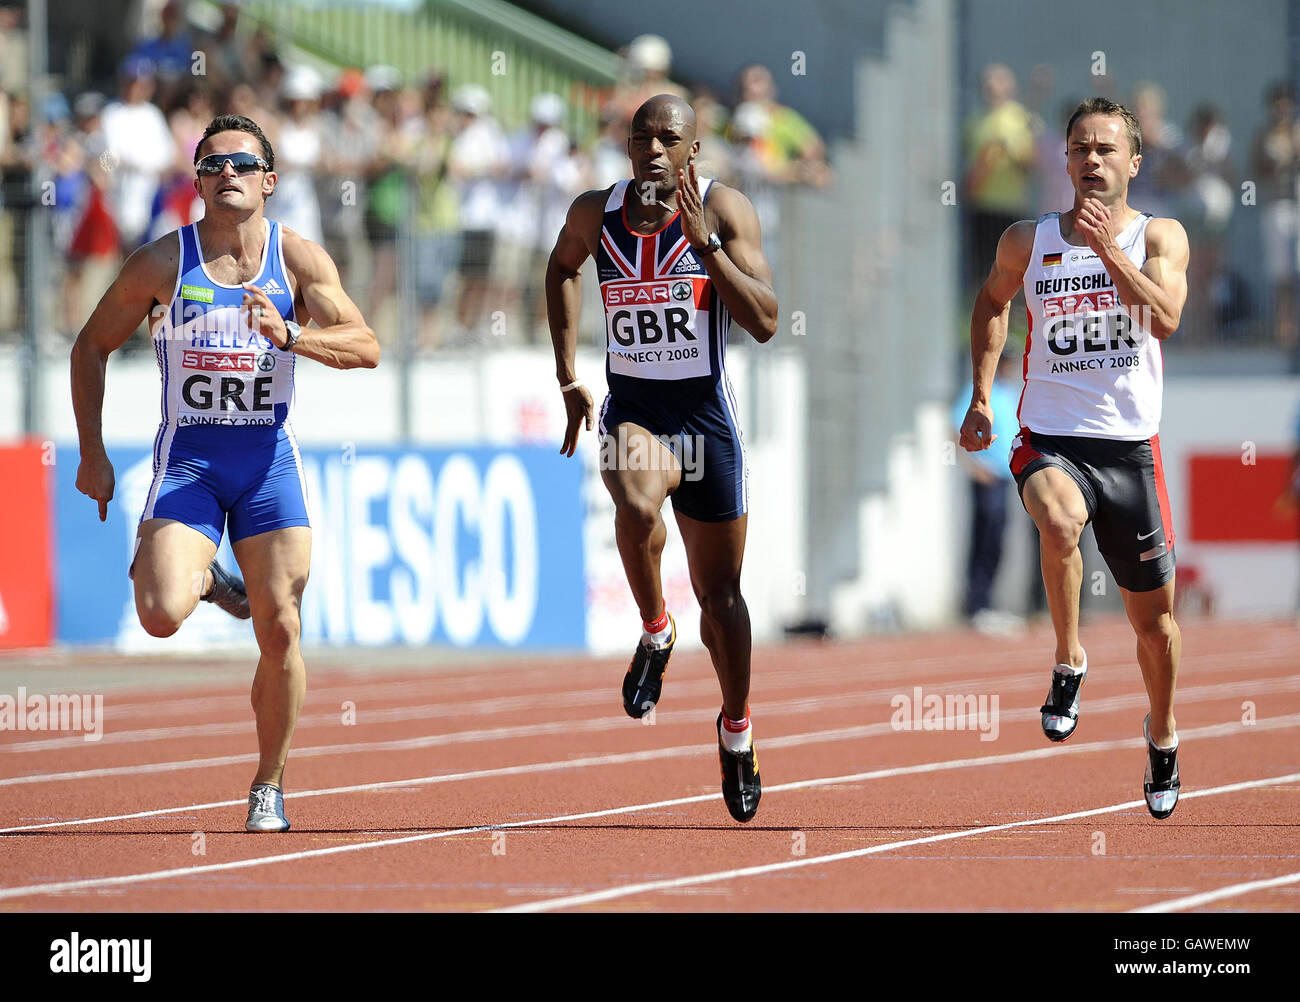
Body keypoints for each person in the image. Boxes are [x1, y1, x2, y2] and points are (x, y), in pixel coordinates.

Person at [70, 114, 380, 832]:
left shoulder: (296, 258)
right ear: (197, 181)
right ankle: (207, 577)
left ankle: (268, 785)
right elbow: (90, 346)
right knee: (159, 614)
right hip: (193, 462)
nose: (227, 175)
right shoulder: (163, 262)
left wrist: (293, 334)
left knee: (280, 626)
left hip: (268, 459)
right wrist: (91, 452)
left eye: (242, 164)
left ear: (270, 180)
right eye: (212, 166)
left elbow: (366, 345)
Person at [547, 95, 777, 823]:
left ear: (692, 151)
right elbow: (561, 267)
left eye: (666, 138)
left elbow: (767, 320)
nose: (651, 148)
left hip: (706, 417)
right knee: (638, 502)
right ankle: (653, 628)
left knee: (724, 600)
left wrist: (706, 246)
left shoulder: (726, 209)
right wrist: (568, 375)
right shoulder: (596, 213)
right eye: (639, 136)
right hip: (636, 407)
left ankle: (735, 728)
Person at [959, 97, 1189, 819]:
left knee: (1155, 628)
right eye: (1080, 149)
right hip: (1049, 437)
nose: (1092, 160)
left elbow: (1165, 318)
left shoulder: (1161, 235)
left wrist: (1108, 250)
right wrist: (982, 395)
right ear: (1064, 160)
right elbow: (992, 303)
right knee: (1057, 523)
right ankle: (1069, 659)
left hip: (1129, 451)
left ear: (1133, 163)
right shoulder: (1028, 240)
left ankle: (1163, 733)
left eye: (1106, 149)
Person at [951, 352, 1022, 633]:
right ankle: (976, 604)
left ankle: (987, 602)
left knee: (997, 539)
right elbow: (954, 427)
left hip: (1005, 478)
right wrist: (974, 467)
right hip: (986, 478)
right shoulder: (977, 393)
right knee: (984, 537)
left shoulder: (1010, 392)